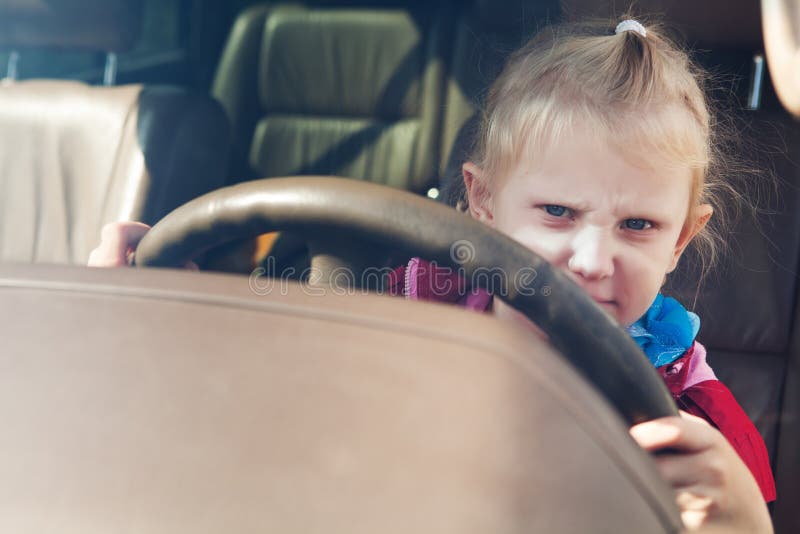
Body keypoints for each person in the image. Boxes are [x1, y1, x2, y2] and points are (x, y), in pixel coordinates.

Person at [88, 17, 775, 534]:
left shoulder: (689, 404)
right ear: (482, 204)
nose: (593, 262)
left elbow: (727, 505)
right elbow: (265, 368)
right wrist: (162, 304)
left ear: (682, 239)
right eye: (558, 213)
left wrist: (742, 518)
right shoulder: (405, 300)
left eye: (639, 226)